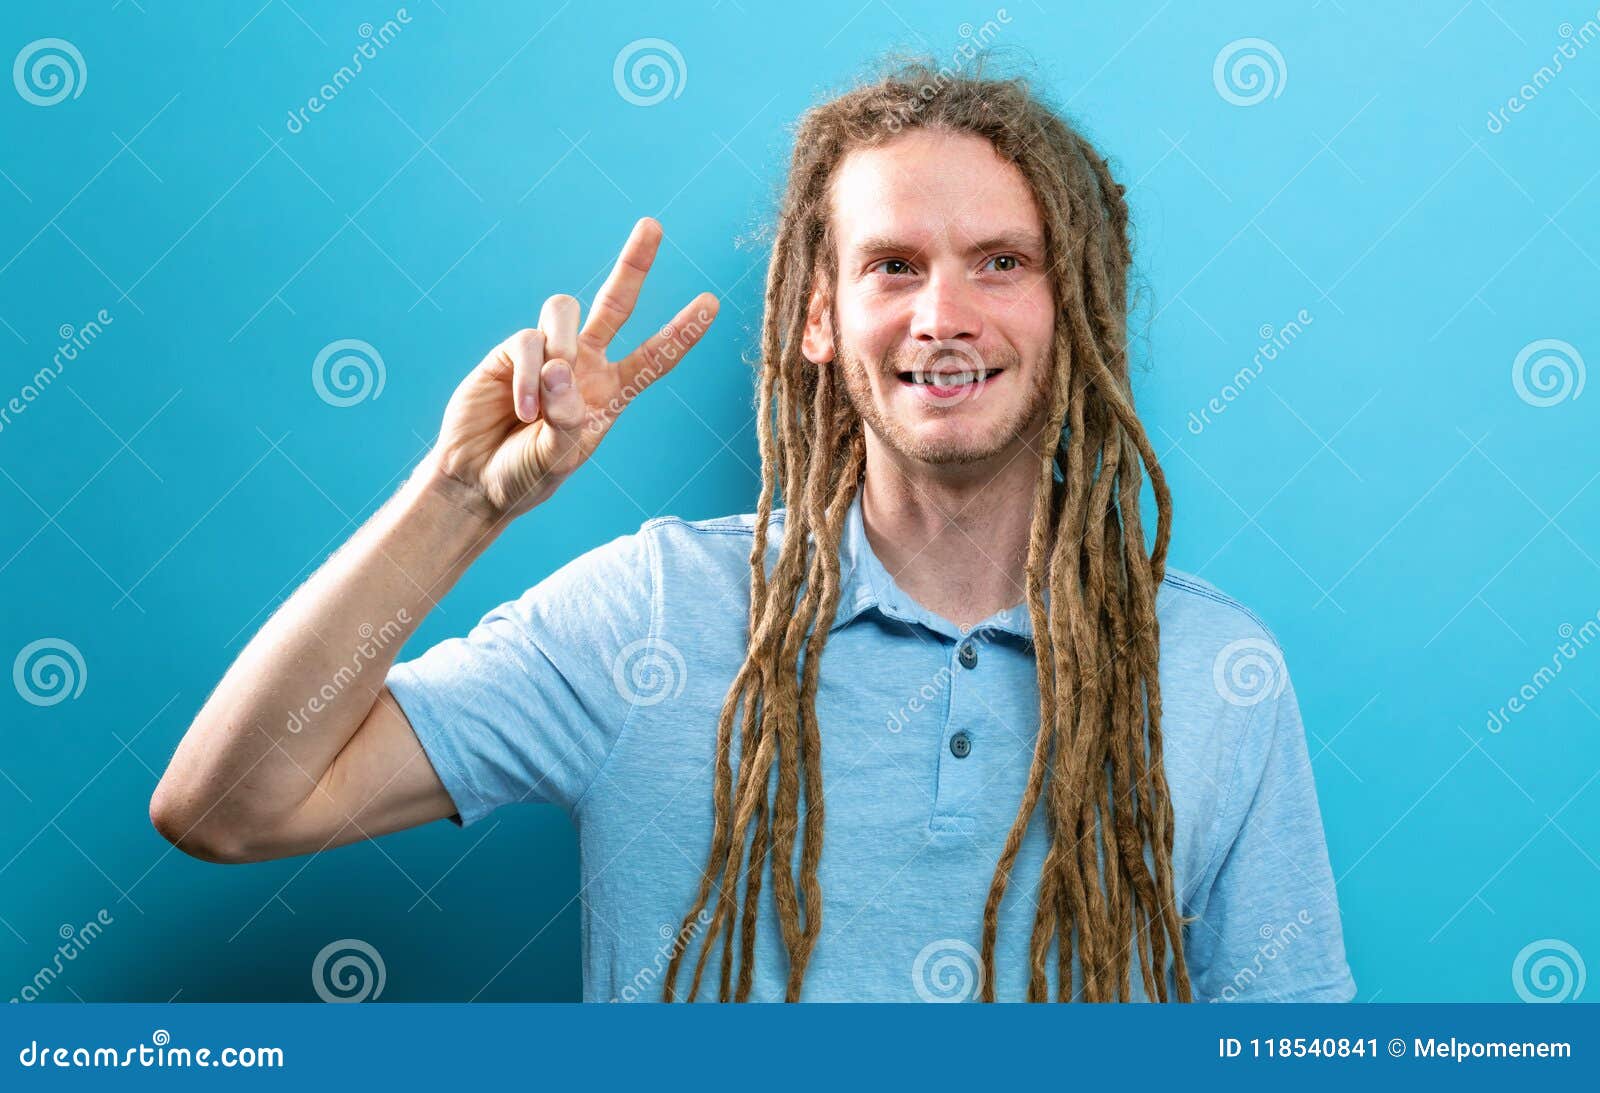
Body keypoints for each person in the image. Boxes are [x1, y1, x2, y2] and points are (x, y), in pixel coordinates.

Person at [151, 63, 1356, 1004]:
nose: (943, 314)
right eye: (891, 265)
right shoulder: (650, 613)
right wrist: (463, 496)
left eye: (1000, 261)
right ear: (818, 318)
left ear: (1072, 304)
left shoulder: (1210, 668)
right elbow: (226, 808)